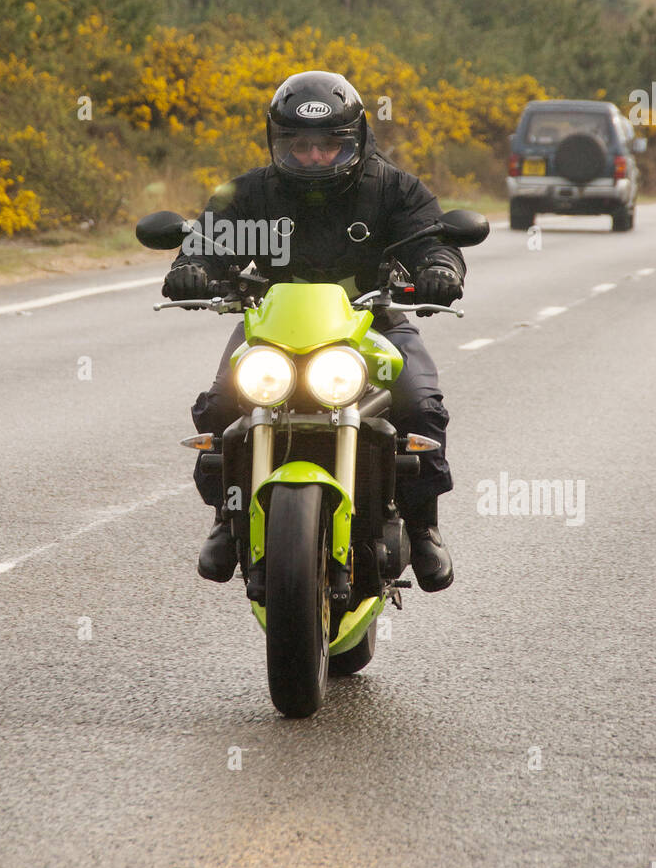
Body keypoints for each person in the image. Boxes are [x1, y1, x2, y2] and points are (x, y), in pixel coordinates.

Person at [161, 70, 466, 593]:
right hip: (274, 327)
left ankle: (423, 525)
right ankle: (225, 521)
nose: (314, 157)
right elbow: (210, 241)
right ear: (276, 141)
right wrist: (192, 266)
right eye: (298, 146)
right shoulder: (250, 193)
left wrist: (440, 269)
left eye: (328, 146)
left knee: (419, 406)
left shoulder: (393, 188)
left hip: (375, 319)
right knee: (221, 405)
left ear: (357, 139)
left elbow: (432, 239)